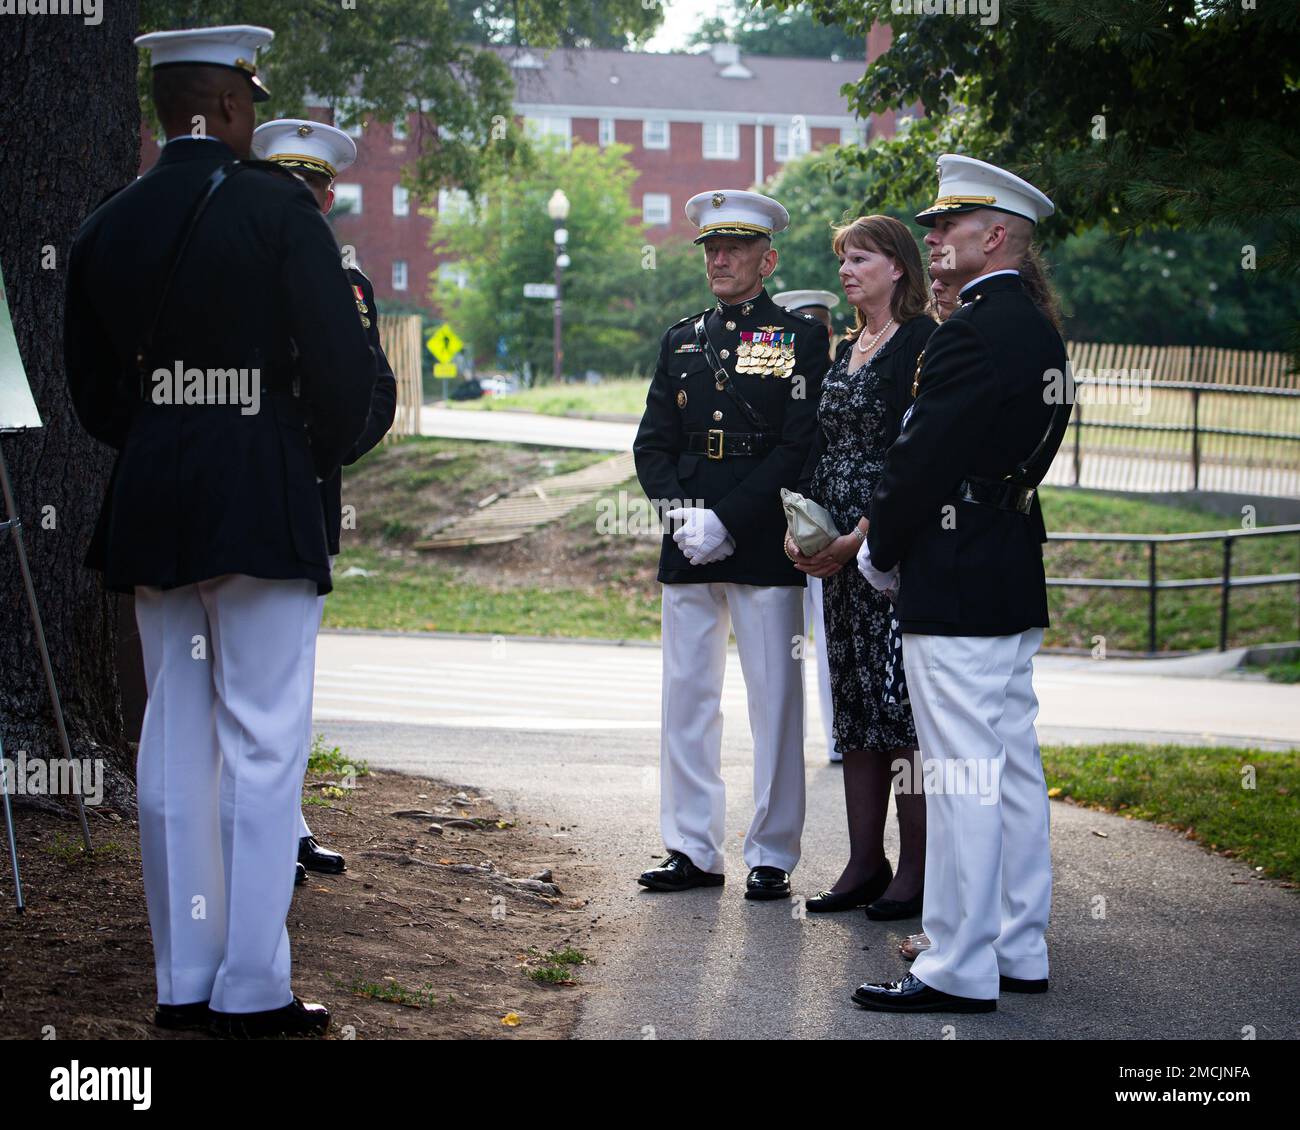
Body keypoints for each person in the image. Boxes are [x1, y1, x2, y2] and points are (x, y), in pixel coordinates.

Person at [65, 25, 377, 1039]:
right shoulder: (277, 208)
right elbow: (343, 374)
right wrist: (299, 446)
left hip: (156, 500)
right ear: (234, 107)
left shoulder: (106, 224)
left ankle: (184, 976)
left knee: (172, 738)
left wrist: (171, 435)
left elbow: (94, 397)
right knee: (263, 742)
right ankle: (251, 986)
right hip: (260, 497)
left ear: (167, 112)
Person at [852, 155, 1072, 1013]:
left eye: (950, 224)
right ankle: (1017, 945)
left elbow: (918, 461)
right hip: (1007, 560)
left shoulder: (972, 330)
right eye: (935, 225)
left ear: (998, 235)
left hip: (956, 570)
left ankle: (956, 964)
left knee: (962, 776)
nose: (936, 236)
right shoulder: (1036, 328)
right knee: (1008, 768)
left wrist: (880, 547)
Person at [633, 190, 830, 900]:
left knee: (774, 700)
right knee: (686, 698)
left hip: (763, 535)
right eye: (711, 248)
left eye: (735, 248)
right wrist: (685, 517)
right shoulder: (681, 339)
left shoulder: (800, 339)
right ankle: (691, 846)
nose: (719, 259)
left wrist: (730, 521)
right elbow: (652, 444)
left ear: (766, 261)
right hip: (689, 539)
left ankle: (772, 852)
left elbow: (800, 446)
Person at [251, 119, 399, 883]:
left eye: (310, 189)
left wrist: (321, 454)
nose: (300, 200)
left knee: (292, 678)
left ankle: (289, 819)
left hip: (307, 493)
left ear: (328, 197)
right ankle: (253, 825)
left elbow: (375, 387)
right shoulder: (235, 264)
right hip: (241, 485)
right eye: (288, 186)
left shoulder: (348, 284)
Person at [788, 218, 934, 918]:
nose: (846, 270)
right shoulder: (846, 348)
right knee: (854, 704)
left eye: (861, 258)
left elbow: (917, 457)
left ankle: (918, 868)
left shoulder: (921, 343)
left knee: (898, 711)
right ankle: (864, 862)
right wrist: (804, 529)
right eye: (843, 259)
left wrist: (862, 537)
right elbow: (823, 448)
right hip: (836, 553)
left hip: (888, 552)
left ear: (898, 266)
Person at [773, 289, 841, 766]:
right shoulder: (771, 380)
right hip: (776, 524)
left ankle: (838, 736)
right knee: (783, 645)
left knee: (829, 634)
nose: (810, 335)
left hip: (825, 523)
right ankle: (785, 741)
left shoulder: (842, 373)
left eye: (817, 327)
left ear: (829, 331)